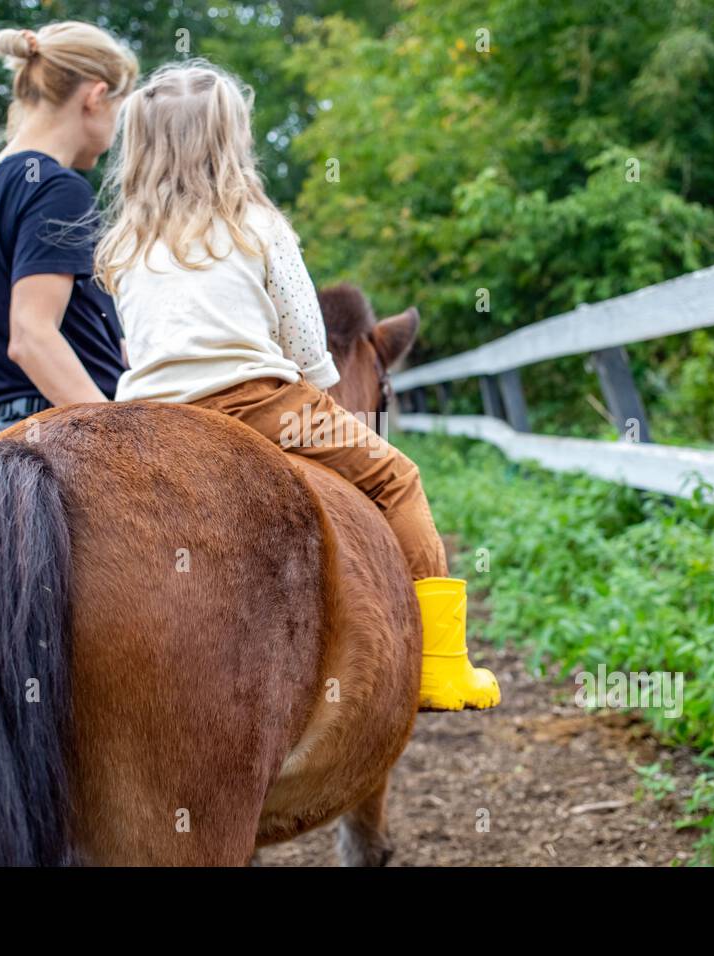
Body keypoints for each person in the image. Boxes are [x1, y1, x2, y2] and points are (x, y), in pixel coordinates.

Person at [93, 61, 500, 711]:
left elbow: (140, 345)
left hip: (146, 421)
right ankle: (441, 665)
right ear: (232, 140)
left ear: (137, 148)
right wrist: (316, 391)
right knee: (399, 480)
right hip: (258, 404)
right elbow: (310, 348)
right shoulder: (259, 225)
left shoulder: (120, 245)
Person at [0, 22, 138, 444]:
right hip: (58, 443)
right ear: (96, 96)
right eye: (121, 106)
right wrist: (122, 440)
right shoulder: (57, 188)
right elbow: (31, 336)